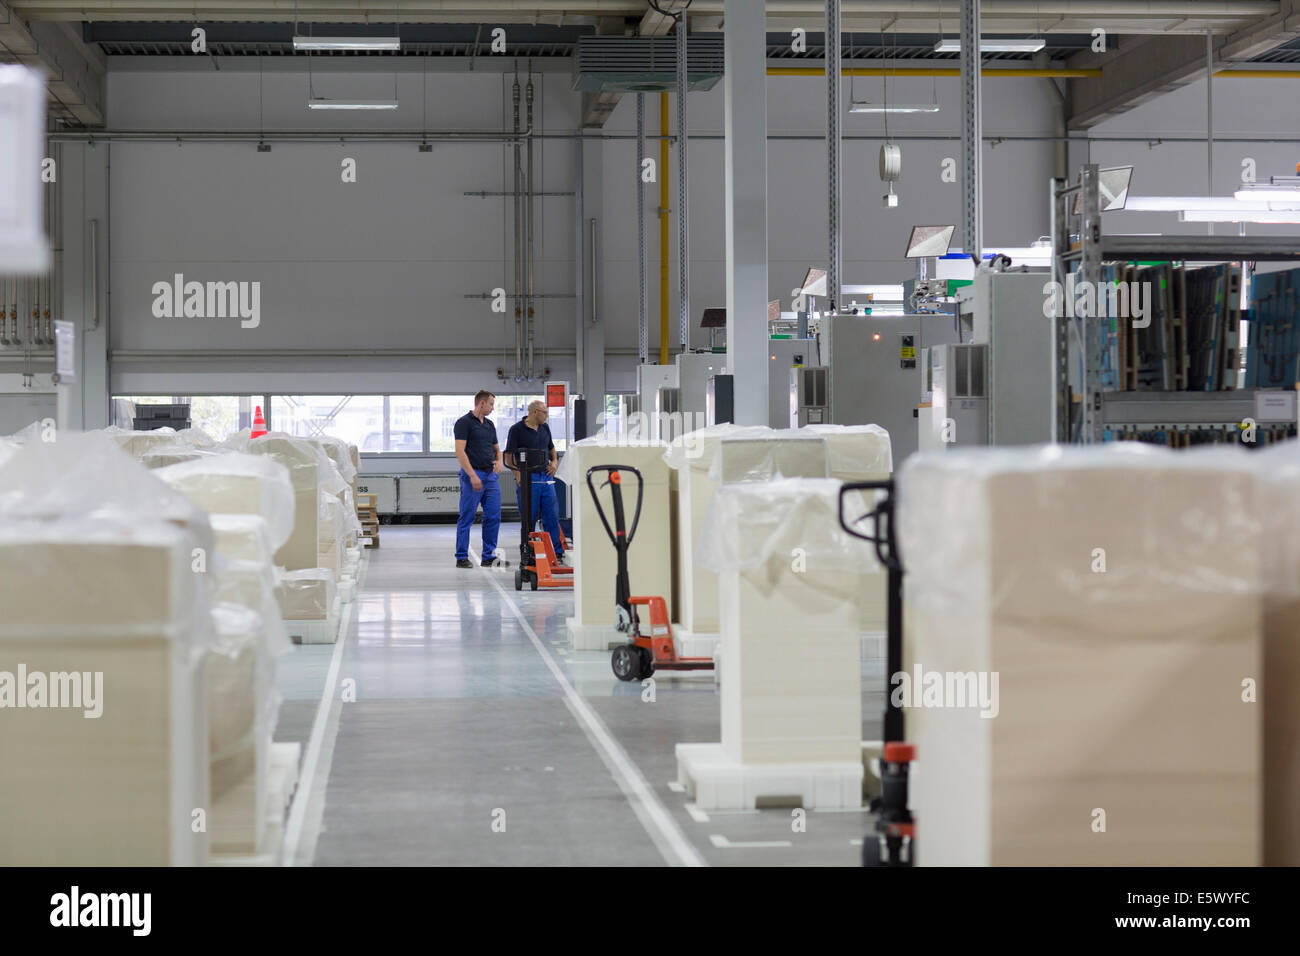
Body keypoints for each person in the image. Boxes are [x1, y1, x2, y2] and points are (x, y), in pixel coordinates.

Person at [504, 400, 565, 566]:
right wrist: (518, 476)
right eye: (544, 413)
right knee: (528, 518)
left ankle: (555, 552)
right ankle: (529, 552)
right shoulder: (516, 430)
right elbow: (509, 456)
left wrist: (554, 463)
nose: (547, 416)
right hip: (528, 477)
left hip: (545, 478)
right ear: (535, 412)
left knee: (551, 516)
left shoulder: (545, 428)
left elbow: (552, 449)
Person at [453, 390, 507, 568]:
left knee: (493, 515)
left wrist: (499, 461)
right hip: (472, 476)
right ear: (481, 403)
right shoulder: (464, 423)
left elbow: (497, 449)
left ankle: (488, 556)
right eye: (491, 404)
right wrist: (472, 475)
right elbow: (460, 452)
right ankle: (461, 556)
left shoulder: (489, 425)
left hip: (490, 476)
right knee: (467, 516)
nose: (492, 407)